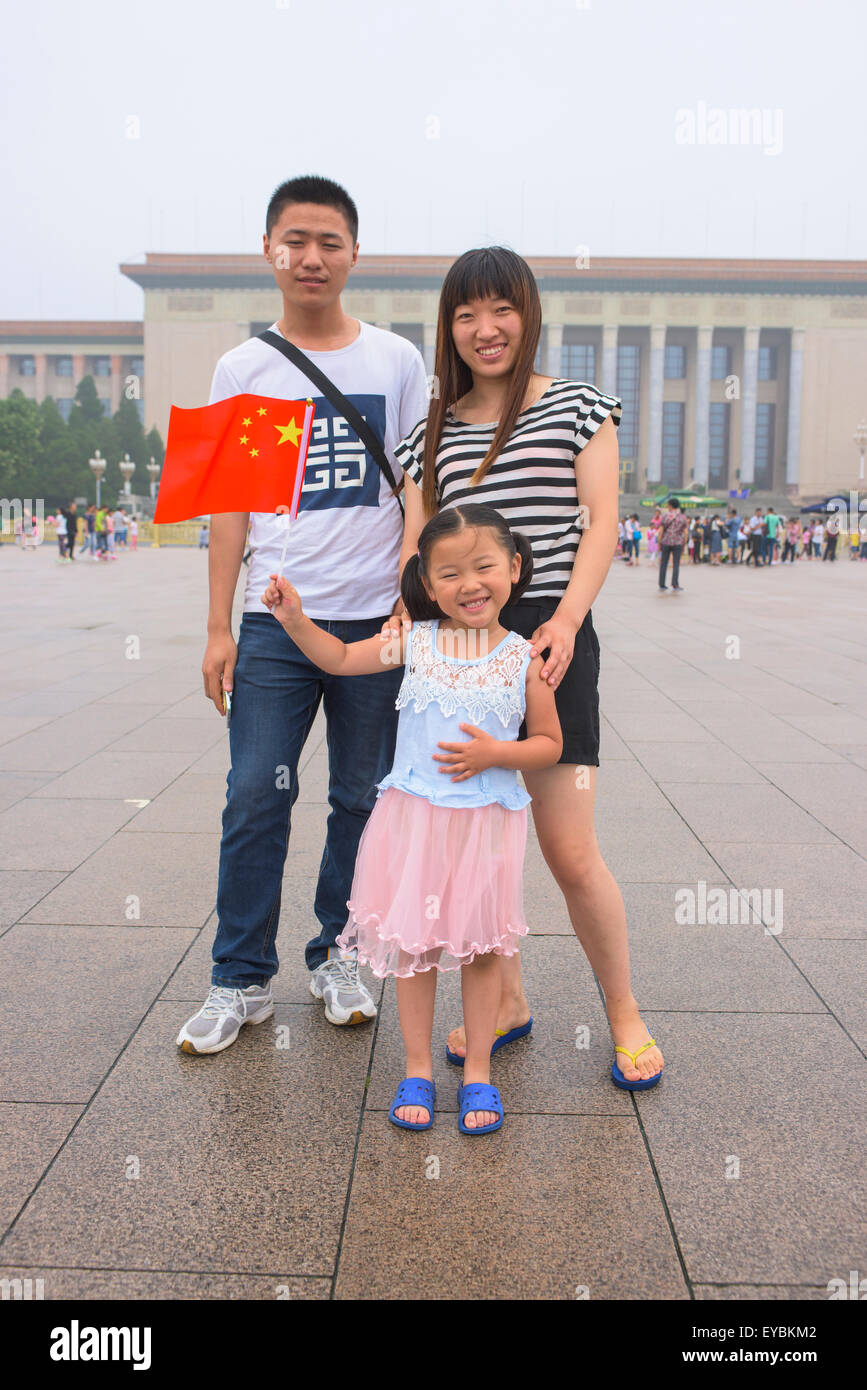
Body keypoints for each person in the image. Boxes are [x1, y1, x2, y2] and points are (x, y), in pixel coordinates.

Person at [390, 245, 664, 1090]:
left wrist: (567, 623)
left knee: (569, 851)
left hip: (545, 647)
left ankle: (623, 1013)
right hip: (455, 656)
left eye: (500, 309)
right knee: (468, 839)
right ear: (449, 328)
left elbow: (601, 521)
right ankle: (503, 1005)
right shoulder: (425, 433)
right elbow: (415, 549)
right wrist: (405, 623)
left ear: (527, 313)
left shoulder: (580, 408)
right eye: (465, 314)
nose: (484, 329)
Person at [177, 174, 428, 1055]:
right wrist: (219, 627)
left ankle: (337, 954)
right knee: (255, 794)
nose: (311, 256)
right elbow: (230, 512)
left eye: (328, 241)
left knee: (360, 796)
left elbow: (415, 488)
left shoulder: (397, 361)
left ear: (354, 253)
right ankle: (238, 978)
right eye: (295, 240)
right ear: (269, 252)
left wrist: (408, 585)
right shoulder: (243, 368)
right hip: (275, 624)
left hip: (373, 623)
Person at [265, 505, 561, 1132]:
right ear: (427, 585)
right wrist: (295, 621)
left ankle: (478, 1070)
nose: (469, 584)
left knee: (481, 952)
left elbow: (549, 745)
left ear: (513, 567)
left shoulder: (523, 658)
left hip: (485, 826)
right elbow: (343, 659)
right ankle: (418, 1067)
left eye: (484, 566)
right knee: (418, 950)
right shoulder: (416, 641)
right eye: (448, 573)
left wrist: (495, 754)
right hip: (417, 822)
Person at [659, 499, 688, 591]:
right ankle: (675, 584)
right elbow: (686, 532)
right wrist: (684, 543)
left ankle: (662, 584)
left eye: (668, 505)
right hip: (678, 542)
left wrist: (659, 542)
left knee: (664, 563)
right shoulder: (683, 517)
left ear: (671, 506)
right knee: (676, 564)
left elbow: (661, 530)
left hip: (666, 542)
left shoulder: (665, 516)